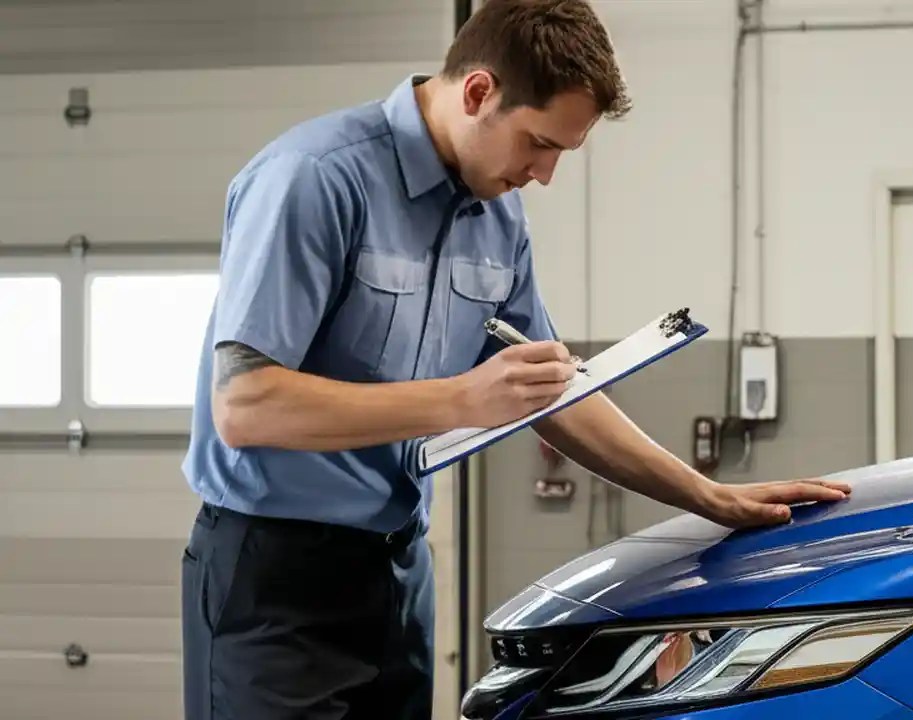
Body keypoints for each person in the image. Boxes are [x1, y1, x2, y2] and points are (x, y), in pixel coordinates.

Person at [178, 0, 852, 718]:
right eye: (539, 143)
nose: (544, 174)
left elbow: (554, 394)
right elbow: (246, 405)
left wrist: (709, 497)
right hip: (272, 579)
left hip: (397, 569)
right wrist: (462, 400)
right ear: (478, 93)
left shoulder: (498, 217)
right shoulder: (313, 179)